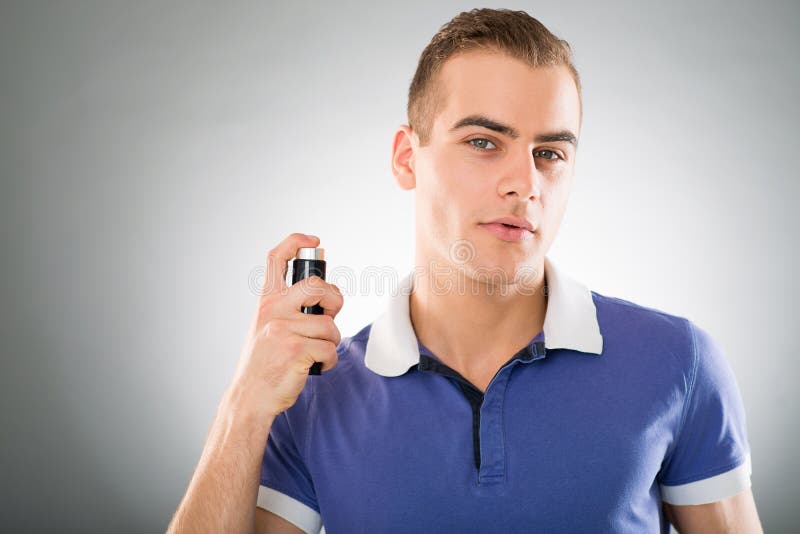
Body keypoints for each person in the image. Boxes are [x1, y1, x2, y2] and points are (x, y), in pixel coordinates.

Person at [167, 8, 763, 533]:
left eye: (549, 153)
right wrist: (243, 406)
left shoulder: (678, 363)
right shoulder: (315, 395)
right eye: (484, 142)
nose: (524, 183)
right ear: (407, 158)